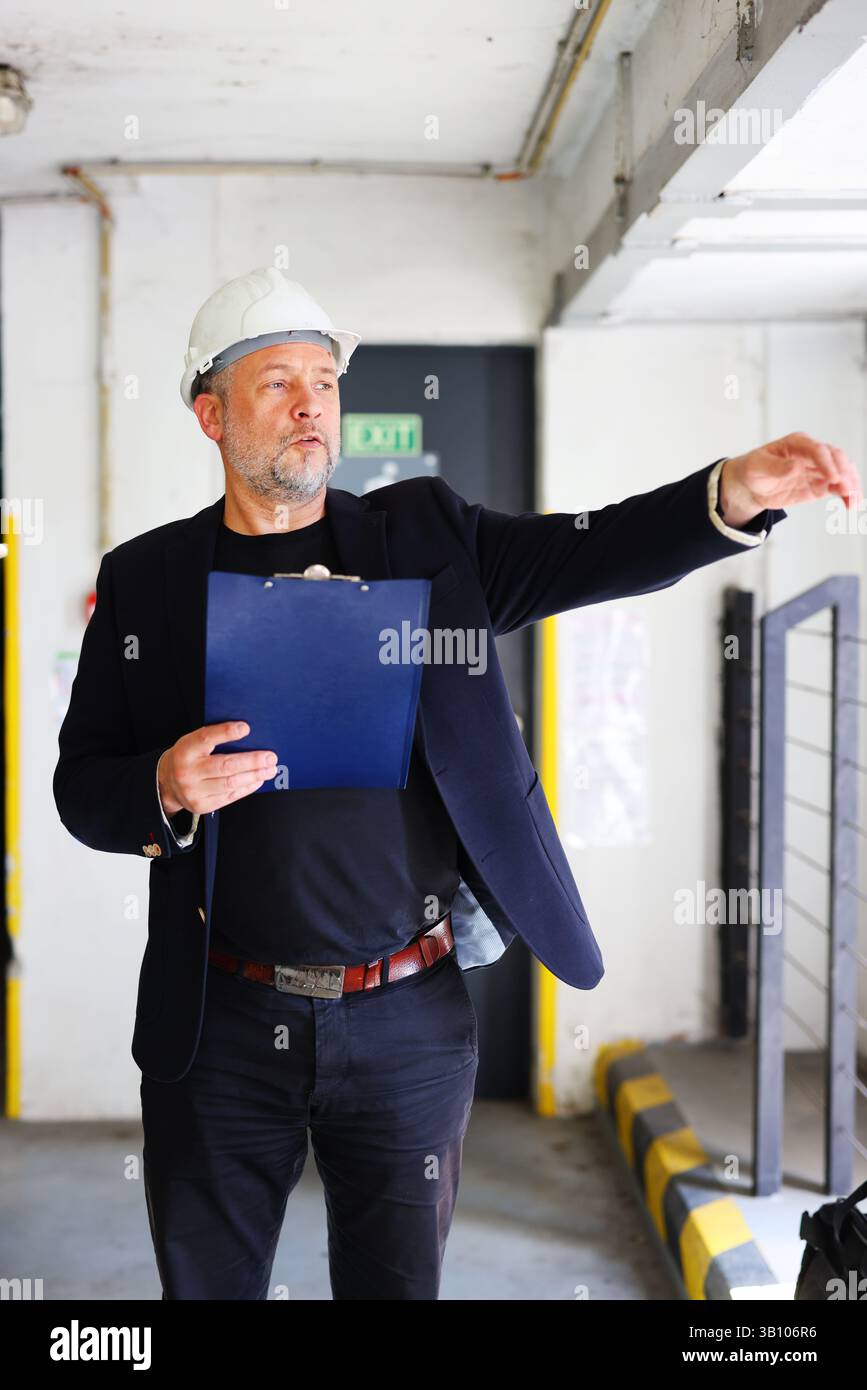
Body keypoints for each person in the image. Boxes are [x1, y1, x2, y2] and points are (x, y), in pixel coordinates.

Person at [53, 267, 862, 1300]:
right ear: (211, 414)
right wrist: (163, 786)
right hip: (221, 1027)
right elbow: (83, 787)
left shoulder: (425, 539)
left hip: (408, 1021)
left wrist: (731, 496)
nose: (311, 404)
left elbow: (594, 548)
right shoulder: (147, 581)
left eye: (325, 380)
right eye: (276, 383)